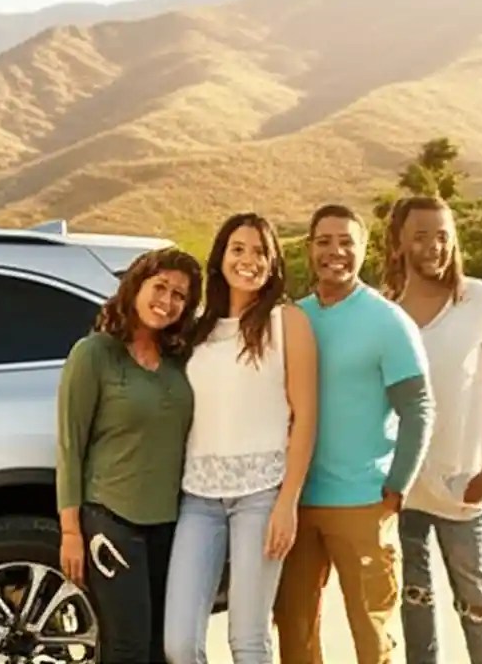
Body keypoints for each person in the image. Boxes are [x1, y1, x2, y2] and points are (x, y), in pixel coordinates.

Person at [273, 203, 436, 664]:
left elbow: (419, 409)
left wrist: (397, 488)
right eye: (324, 241)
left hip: (364, 502)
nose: (335, 252)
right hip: (296, 504)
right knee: (294, 629)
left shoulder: (387, 321)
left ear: (364, 249)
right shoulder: (292, 319)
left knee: (372, 632)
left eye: (347, 241)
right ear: (309, 248)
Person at [164, 213, 319, 664]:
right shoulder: (198, 328)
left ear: (273, 263)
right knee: (178, 644)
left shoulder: (287, 321)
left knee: (248, 641)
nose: (247, 260)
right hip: (198, 498)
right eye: (238, 249)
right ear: (220, 257)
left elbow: (306, 416)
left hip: (261, 495)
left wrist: (287, 502)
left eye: (259, 252)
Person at [380, 196, 482, 664]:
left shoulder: (480, 300)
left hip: (465, 489)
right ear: (398, 243)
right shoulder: (386, 310)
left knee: (480, 608)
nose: (434, 246)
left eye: (442, 235)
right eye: (420, 235)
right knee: (415, 610)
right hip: (402, 493)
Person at [55, 246, 204, 663]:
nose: (167, 301)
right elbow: (70, 446)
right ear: (135, 287)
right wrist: (71, 532)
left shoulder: (179, 362)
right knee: (128, 646)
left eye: (180, 295)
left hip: (171, 524)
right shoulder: (95, 354)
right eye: (160, 287)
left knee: (163, 648)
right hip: (111, 520)